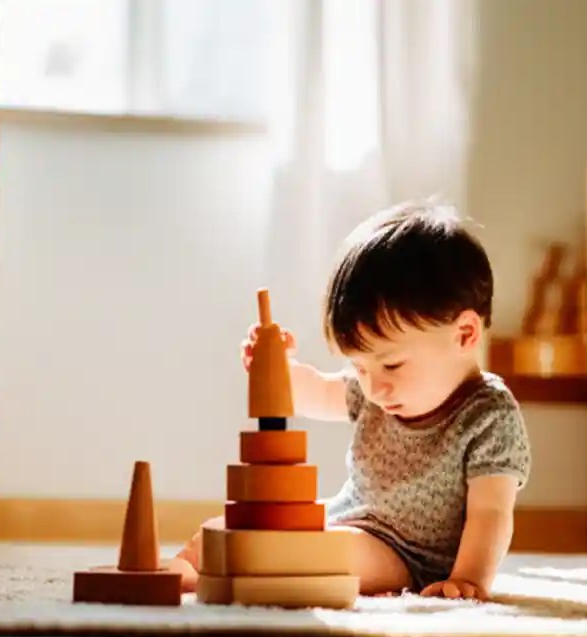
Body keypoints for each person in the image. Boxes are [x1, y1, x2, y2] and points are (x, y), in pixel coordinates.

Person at [171, 201, 531, 600]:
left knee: (312, 552)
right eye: (360, 369)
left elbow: (491, 513)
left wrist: (469, 578)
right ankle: (186, 566)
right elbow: (318, 393)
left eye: (392, 365)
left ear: (464, 334)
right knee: (236, 526)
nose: (375, 388)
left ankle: (238, 572)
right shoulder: (375, 392)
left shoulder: (488, 415)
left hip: (408, 556)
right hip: (348, 520)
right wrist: (276, 368)